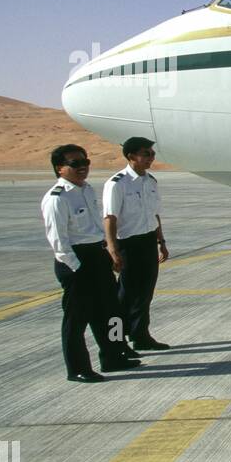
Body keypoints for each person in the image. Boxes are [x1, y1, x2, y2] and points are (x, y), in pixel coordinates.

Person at [41, 144, 142, 382]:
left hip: (97, 256)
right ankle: (77, 368)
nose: (82, 167)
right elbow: (59, 242)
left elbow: (95, 227)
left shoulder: (85, 190)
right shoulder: (57, 199)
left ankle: (114, 355)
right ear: (59, 168)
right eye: (75, 164)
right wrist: (78, 269)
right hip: (76, 261)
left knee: (111, 312)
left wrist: (108, 253)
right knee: (76, 321)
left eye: (85, 162)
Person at [103, 137, 171, 351]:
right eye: (146, 154)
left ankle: (140, 335)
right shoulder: (117, 184)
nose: (151, 158)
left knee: (145, 293)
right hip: (127, 244)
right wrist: (112, 249)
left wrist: (161, 241)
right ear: (131, 156)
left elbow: (154, 214)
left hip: (148, 241)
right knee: (124, 296)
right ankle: (116, 341)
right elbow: (110, 218)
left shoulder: (150, 181)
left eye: (152, 153)